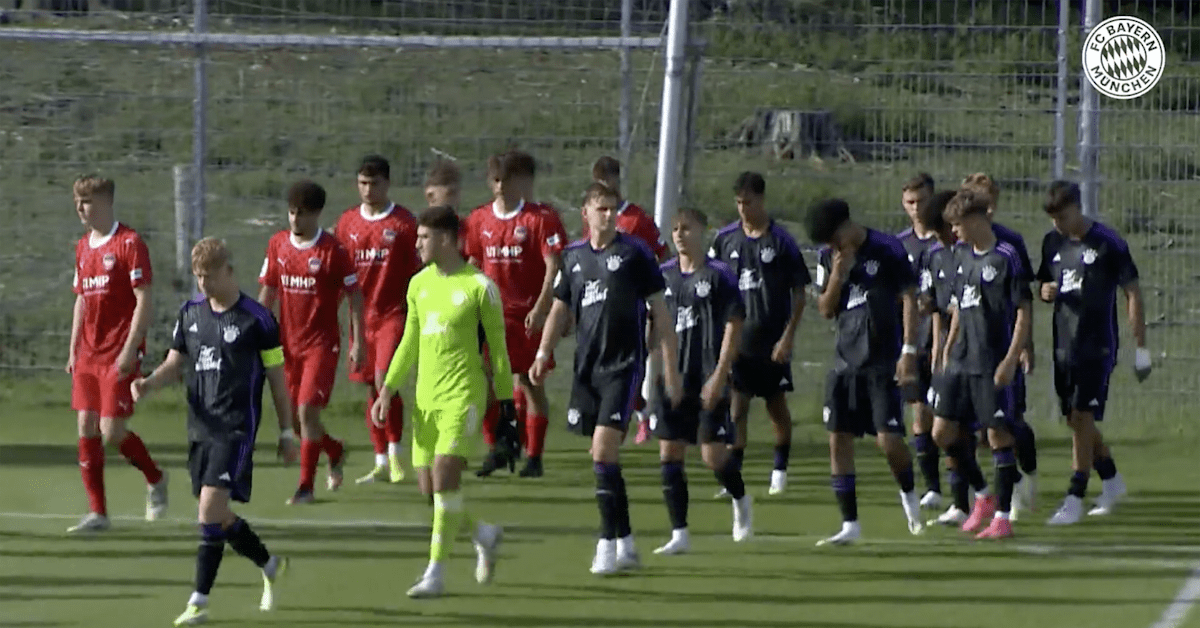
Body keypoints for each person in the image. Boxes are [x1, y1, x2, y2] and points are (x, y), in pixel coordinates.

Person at [132, 237, 298, 626]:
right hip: (200, 429)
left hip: (236, 429)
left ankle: (199, 601)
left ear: (229, 270)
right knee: (217, 514)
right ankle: (269, 564)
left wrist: (287, 431)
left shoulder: (258, 320)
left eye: (210, 275)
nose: (203, 283)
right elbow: (176, 362)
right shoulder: (190, 314)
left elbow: (277, 376)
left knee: (208, 509)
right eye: (198, 276)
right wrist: (149, 383)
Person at [530, 182, 682, 575]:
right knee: (602, 459)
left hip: (624, 366)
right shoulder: (574, 258)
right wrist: (543, 353)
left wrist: (668, 366)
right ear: (586, 213)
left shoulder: (635, 253)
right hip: (587, 370)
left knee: (602, 452)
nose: (609, 215)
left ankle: (605, 545)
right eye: (602, 209)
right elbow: (561, 310)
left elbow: (660, 313)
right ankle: (628, 541)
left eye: (613, 208)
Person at [372, 205, 512, 598]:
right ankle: (483, 534)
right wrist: (387, 389)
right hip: (425, 399)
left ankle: (435, 573)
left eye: (424, 238)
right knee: (431, 489)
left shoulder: (479, 287)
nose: (417, 244)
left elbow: (498, 353)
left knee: (447, 475)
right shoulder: (418, 285)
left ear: (447, 239)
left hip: (464, 395)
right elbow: (409, 342)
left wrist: (507, 408)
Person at [807, 198, 925, 545]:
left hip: (884, 358)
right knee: (838, 438)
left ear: (846, 227)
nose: (831, 247)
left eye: (833, 239)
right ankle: (850, 524)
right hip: (845, 360)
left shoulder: (887, 248)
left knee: (889, 441)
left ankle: (909, 497)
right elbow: (826, 310)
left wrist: (908, 350)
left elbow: (908, 297)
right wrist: (838, 277)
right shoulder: (828, 258)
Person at [1037, 181, 1146, 525]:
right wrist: (1045, 291)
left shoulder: (1108, 242)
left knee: (1082, 417)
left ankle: (1075, 495)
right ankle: (1112, 480)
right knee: (1075, 419)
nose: (1059, 224)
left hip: (1097, 345)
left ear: (1079, 207)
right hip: (1063, 344)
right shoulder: (1051, 243)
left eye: (1064, 216)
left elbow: (1133, 292)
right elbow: (1042, 283)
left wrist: (1140, 346)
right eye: (1054, 218)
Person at [66, 175, 168, 533]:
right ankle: (99, 513)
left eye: (88, 200)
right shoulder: (82, 247)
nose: (81, 207)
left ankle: (155, 478)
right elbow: (82, 299)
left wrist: (130, 348)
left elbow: (144, 298)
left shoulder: (129, 243)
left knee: (111, 431)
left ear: (108, 201)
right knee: (86, 425)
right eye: (78, 201)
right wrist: (73, 347)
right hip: (88, 354)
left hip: (118, 352)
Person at [931, 191, 1033, 540]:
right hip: (960, 358)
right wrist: (946, 347)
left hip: (991, 361)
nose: (954, 232)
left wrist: (1010, 358)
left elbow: (1023, 311)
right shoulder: (960, 255)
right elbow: (960, 304)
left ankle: (1003, 518)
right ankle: (983, 495)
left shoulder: (1006, 257)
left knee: (996, 435)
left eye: (957, 224)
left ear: (975, 220)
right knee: (942, 433)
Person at [652, 207, 752, 555]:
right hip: (672, 377)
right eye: (675, 229)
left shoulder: (719, 274)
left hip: (707, 375)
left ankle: (740, 499)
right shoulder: (663, 275)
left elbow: (734, 324)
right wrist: (661, 375)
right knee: (670, 451)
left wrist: (719, 376)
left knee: (712, 455)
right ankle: (679, 533)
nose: (680, 235)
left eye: (687, 228)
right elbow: (658, 328)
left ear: (703, 231)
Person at [257, 180, 363, 504]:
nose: (294, 220)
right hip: (287, 346)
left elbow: (355, 296)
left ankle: (306, 487)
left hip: (321, 344)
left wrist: (359, 341)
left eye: (301, 214)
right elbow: (269, 290)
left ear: (316, 214)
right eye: (291, 213)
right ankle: (334, 449)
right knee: (299, 421)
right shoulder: (277, 245)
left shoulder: (332, 251)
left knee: (306, 412)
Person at [464, 150, 567, 478]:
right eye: (495, 180)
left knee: (530, 381)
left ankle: (534, 456)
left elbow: (554, 267)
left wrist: (541, 307)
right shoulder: (478, 219)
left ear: (518, 182)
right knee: (483, 381)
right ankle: (498, 447)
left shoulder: (540, 219)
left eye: (506, 180)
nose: (500, 186)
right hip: (490, 315)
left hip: (527, 316)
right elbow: (474, 264)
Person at [707, 172, 811, 496]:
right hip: (738, 341)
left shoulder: (781, 241)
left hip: (772, 342)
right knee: (737, 408)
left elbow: (799, 292)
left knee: (775, 407)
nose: (742, 209)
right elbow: (713, 286)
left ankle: (779, 469)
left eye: (748, 202)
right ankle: (734, 473)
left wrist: (788, 337)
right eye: (738, 202)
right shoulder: (725, 240)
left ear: (761, 200)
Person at [333, 155, 421, 485]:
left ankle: (397, 454)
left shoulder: (403, 224)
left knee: (386, 379)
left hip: (393, 315)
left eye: (375, 184)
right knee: (372, 387)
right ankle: (381, 459)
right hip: (361, 318)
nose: (368, 190)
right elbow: (339, 274)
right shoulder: (347, 224)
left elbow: (419, 269)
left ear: (387, 184)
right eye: (362, 183)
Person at [960, 173, 1040, 518]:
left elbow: (1023, 300)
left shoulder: (1009, 244)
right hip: (971, 349)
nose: (989, 209)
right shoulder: (962, 244)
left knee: (1008, 420)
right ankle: (984, 497)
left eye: (992, 202)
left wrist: (1025, 346)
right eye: (982, 202)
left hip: (1004, 347)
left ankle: (1025, 477)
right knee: (974, 426)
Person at [586, 155, 670, 446]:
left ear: (617, 181)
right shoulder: (595, 218)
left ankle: (643, 417)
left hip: (635, 306)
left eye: (609, 181)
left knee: (635, 363)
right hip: (603, 307)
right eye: (600, 183)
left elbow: (664, 254)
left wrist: (653, 291)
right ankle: (617, 419)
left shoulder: (637, 220)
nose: (605, 187)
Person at [916, 189, 983, 527]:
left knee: (994, 428)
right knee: (943, 430)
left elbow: (962, 308)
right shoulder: (933, 256)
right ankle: (966, 500)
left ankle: (1004, 487)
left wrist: (948, 343)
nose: (943, 236)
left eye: (944, 229)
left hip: (975, 351)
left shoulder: (969, 254)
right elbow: (939, 307)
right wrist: (937, 346)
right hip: (948, 353)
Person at [896, 173, 942, 510]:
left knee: (951, 421)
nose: (916, 208)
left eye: (921, 201)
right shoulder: (899, 246)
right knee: (919, 415)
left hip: (946, 341)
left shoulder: (948, 242)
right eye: (910, 202)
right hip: (914, 344)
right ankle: (934, 488)